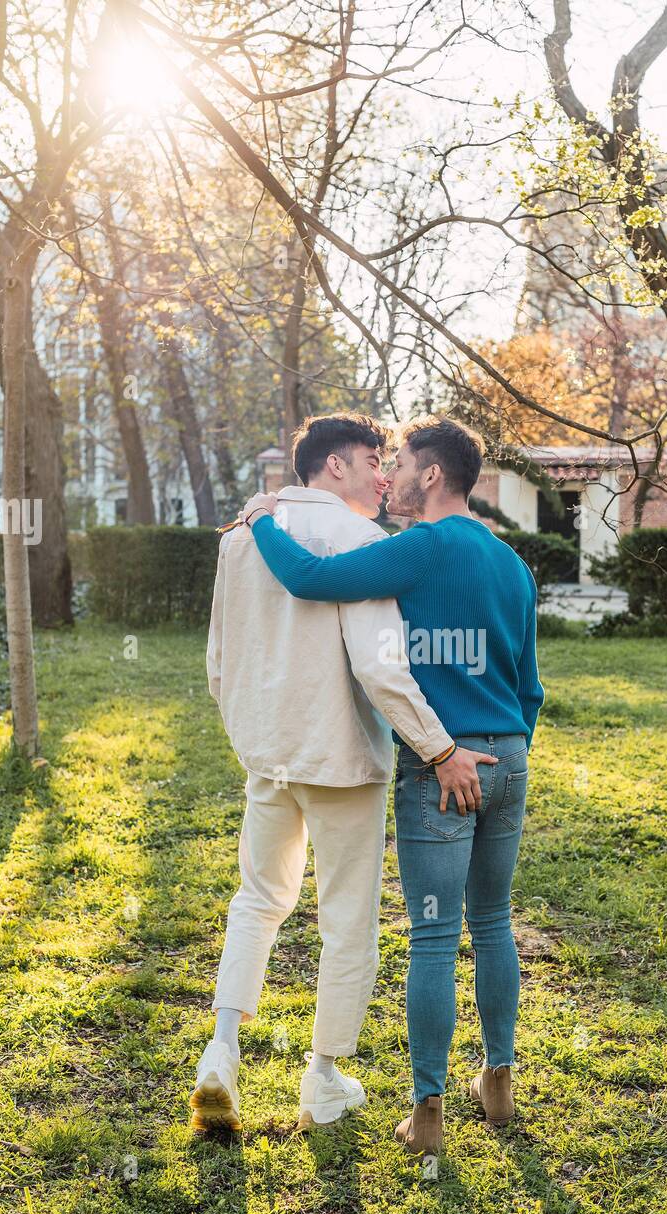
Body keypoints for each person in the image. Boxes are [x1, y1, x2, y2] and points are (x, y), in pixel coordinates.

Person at [241, 415, 544, 1155]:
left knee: (435, 938)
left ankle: (429, 1110)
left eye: (400, 461)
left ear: (431, 475)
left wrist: (261, 519)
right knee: (494, 921)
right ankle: (497, 1080)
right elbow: (531, 687)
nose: (390, 476)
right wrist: (505, 750)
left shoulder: (418, 548)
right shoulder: (511, 563)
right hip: (507, 760)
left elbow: (310, 580)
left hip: (443, 770)